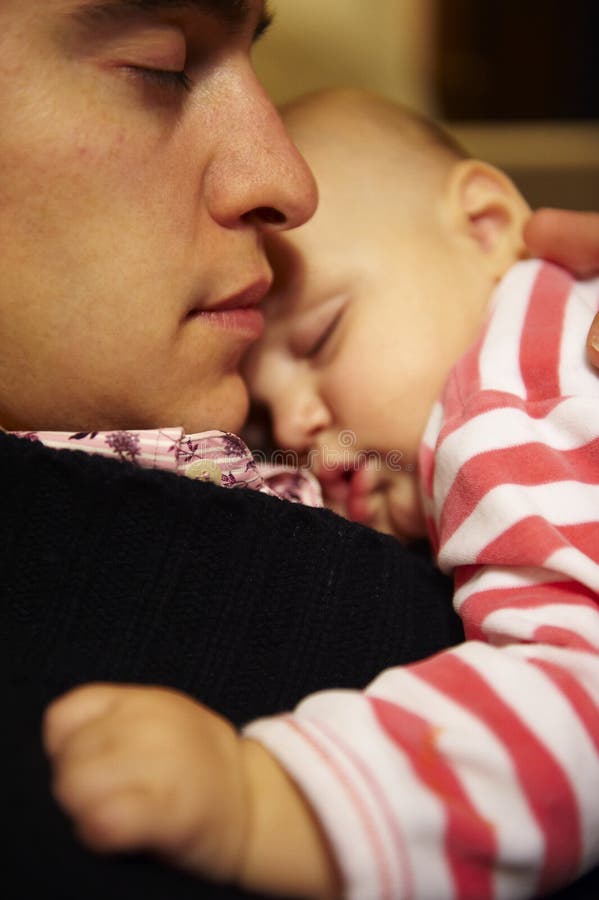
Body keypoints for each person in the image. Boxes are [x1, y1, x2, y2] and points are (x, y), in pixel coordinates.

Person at [42, 87, 599, 900]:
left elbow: (575, 701)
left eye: (320, 338)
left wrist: (274, 803)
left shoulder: (503, 410)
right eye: (265, 412)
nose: (297, 424)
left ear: (483, 226)